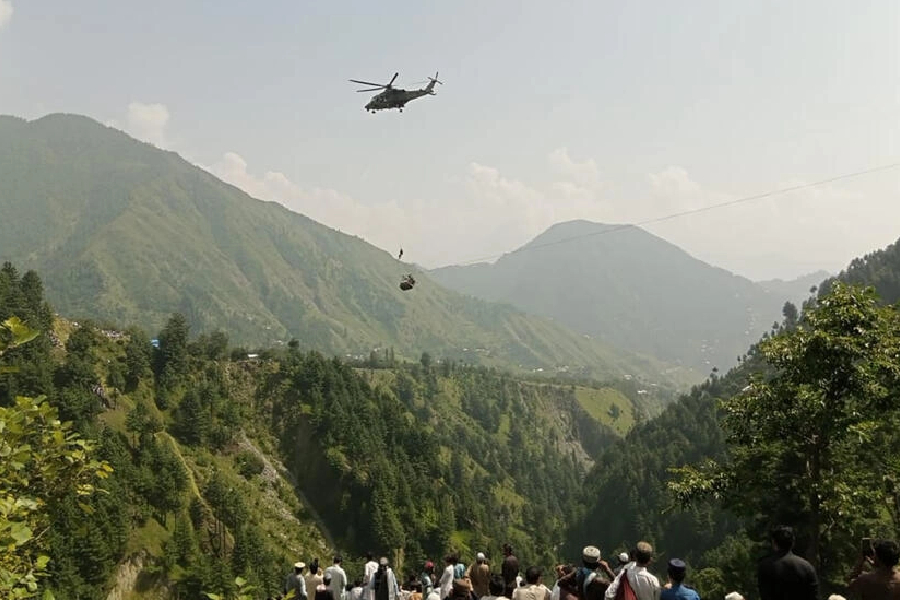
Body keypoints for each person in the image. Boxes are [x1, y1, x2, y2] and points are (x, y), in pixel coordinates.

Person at [757, 526, 818, 600]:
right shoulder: (807, 567)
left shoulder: (764, 567)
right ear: (793, 543)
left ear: (774, 543)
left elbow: (764, 595)